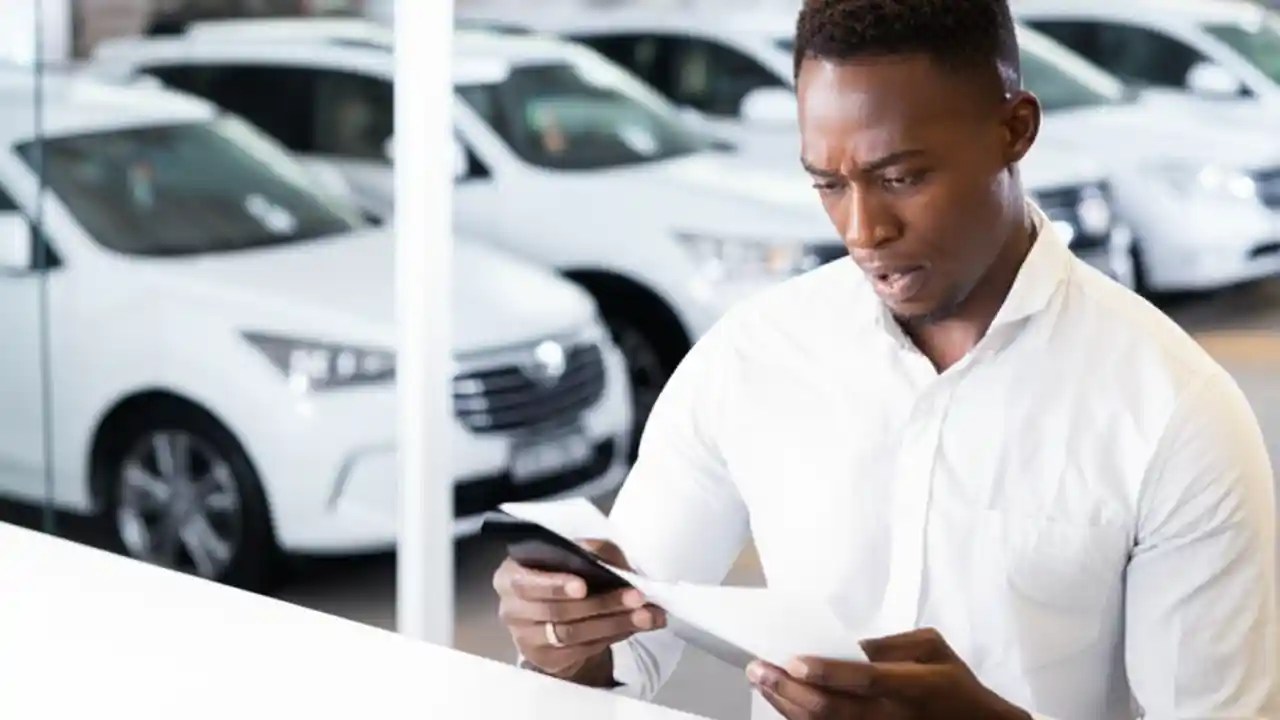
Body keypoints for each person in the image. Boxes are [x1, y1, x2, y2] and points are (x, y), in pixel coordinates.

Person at [492, 0, 1279, 717]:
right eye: (828, 184)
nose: (862, 229)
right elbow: (622, 654)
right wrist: (563, 636)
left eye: (900, 177)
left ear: (1015, 130)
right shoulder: (752, 357)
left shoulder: (1174, 411)